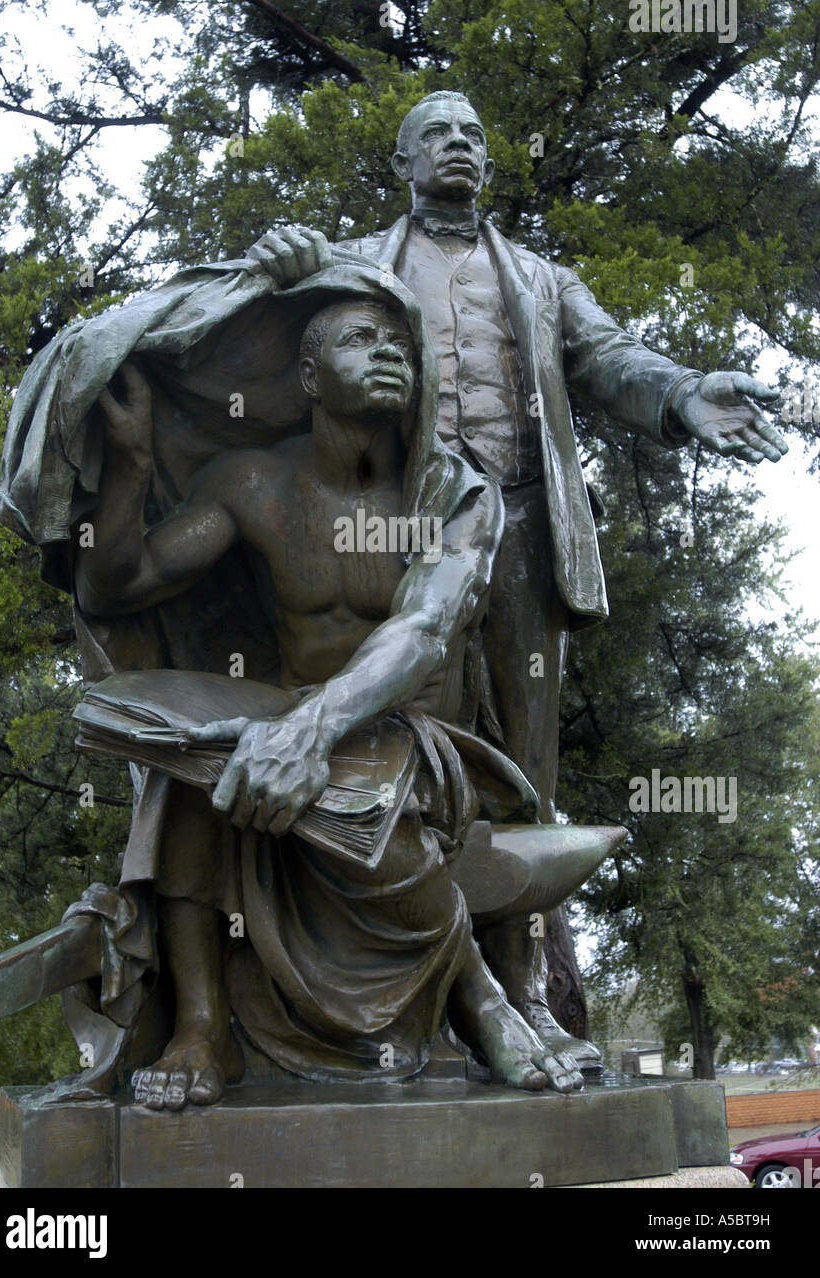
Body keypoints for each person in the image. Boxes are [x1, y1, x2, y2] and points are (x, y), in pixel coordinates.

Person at [239, 92, 788, 1066]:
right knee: (417, 758)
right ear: (404, 156)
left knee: (524, 778)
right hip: (410, 530)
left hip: (528, 527)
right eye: (440, 130)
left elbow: (609, 355)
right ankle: (432, 1001)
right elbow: (277, 354)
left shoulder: (538, 277)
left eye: (476, 132)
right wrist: (279, 275)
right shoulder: (358, 266)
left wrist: (681, 391)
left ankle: (526, 997)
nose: (461, 142)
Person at [73, 266, 585, 1109]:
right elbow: (116, 588)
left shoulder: (454, 493)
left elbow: (424, 630)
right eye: (359, 339)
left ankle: (479, 995)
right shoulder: (253, 482)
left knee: (368, 799)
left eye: (399, 345)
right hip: (284, 714)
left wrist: (310, 732)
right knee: (185, 771)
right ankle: (201, 1027)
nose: (387, 353)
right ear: (308, 377)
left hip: (412, 732)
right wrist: (128, 467)